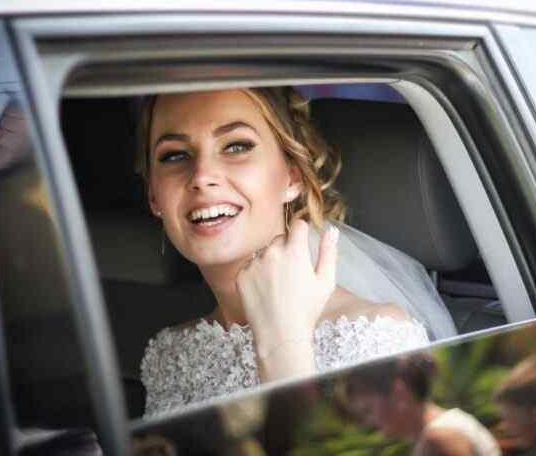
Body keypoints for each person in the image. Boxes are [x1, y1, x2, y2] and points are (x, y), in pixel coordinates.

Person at [137, 87, 456, 416]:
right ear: (154, 196)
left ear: (292, 175)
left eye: (236, 146)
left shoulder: (375, 338)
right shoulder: (170, 354)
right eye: (174, 155)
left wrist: (282, 346)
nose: (202, 177)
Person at [347, 353, 501, 456]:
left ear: (399, 393)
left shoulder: (438, 439)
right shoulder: (443, 428)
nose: (369, 422)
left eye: (368, 410)